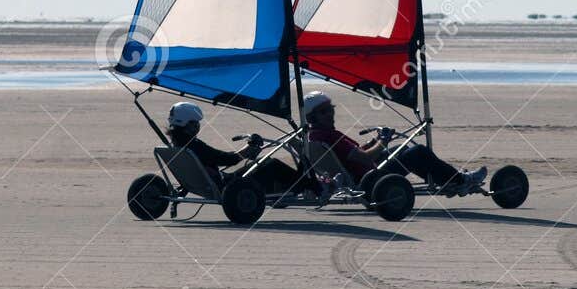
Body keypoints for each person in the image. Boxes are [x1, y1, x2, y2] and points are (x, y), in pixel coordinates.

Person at [302, 90, 485, 193]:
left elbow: (353, 153)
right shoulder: (329, 136)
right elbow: (365, 158)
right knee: (417, 152)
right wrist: (382, 141)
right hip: (368, 179)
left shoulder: (315, 136)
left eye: (331, 109)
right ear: (312, 116)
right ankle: (460, 181)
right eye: (324, 112)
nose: (331, 113)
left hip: (358, 172)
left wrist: (375, 141)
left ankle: (447, 180)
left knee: (402, 149)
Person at [164, 102, 315, 196]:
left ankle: (295, 186)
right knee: (270, 163)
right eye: (195, 123)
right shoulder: (194, 146)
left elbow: (221, 158)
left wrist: (248, 151)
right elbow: (228, 159)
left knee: (257, 164)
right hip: (225, 185)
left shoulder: (175, 145)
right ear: (187, 124)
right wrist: (249, 148)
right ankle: (307, 185)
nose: (197, 126)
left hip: (203, 184)